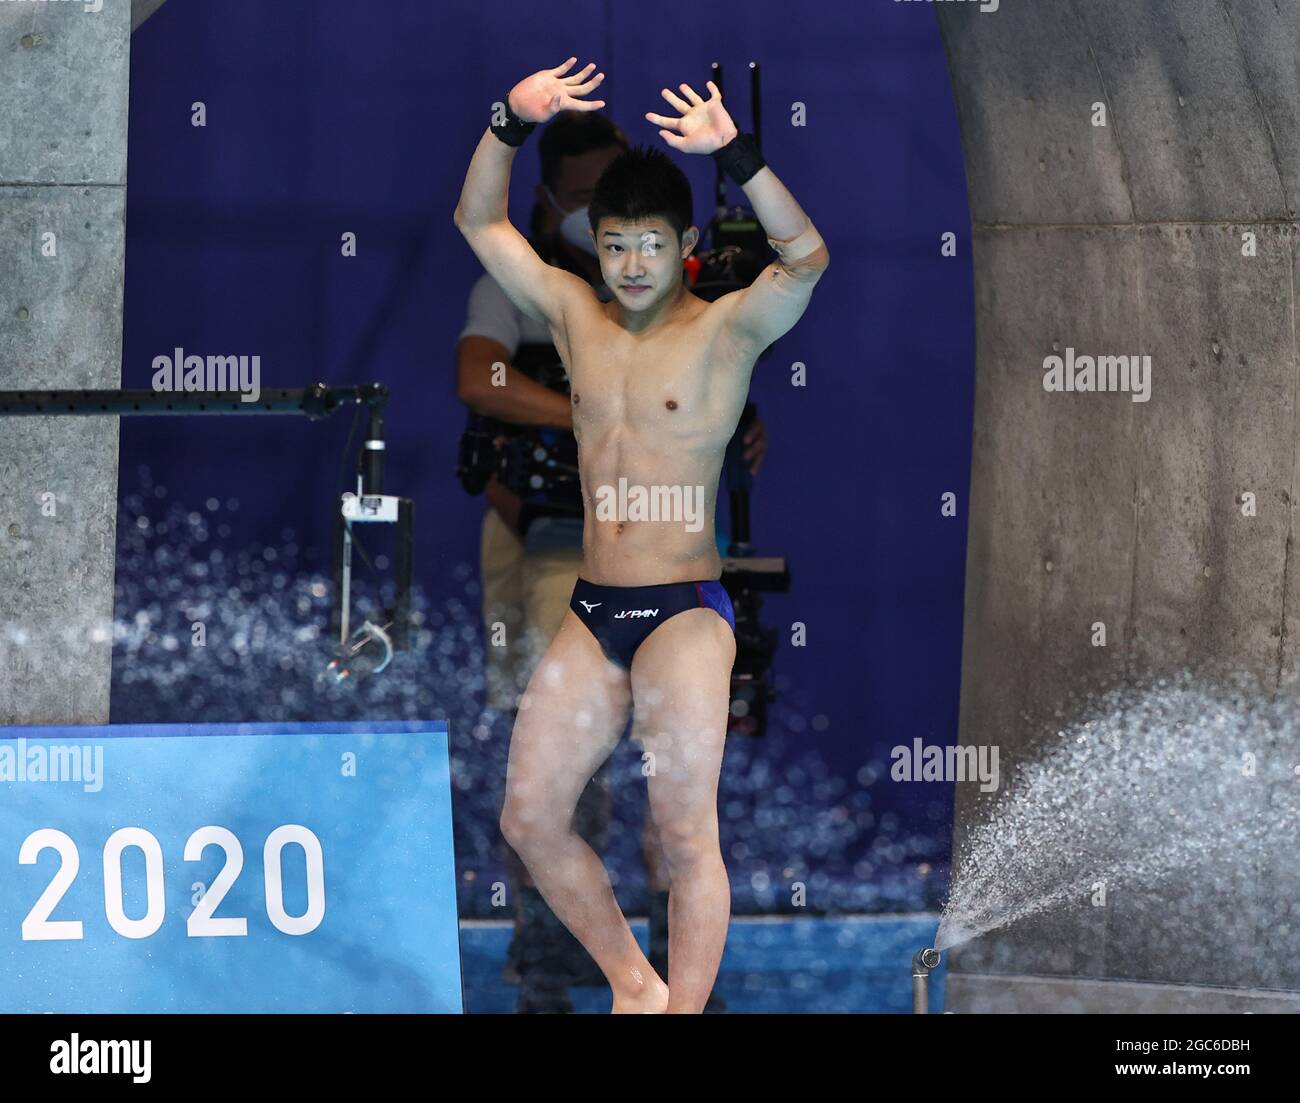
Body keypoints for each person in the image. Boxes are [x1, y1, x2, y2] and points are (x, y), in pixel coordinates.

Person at [453, 57, 828, 1013]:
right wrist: (509, 118)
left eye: (649, 246)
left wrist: (737, 154)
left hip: (681, 615)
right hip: (592, 607)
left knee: (683, 831)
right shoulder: (577, 315)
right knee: (531, 818)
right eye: (614, 244)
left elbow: (808, 258)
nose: (629, 266)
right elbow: (480, 224)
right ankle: (635, 984)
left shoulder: (725, 332)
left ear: (687, 243)